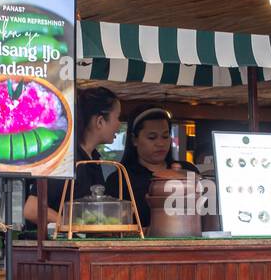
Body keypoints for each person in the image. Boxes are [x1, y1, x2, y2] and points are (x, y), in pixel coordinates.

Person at [22, 86, 122, 229]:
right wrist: (72, 226)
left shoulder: (93, 159)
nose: (119, 125)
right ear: (100, 121)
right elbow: (32, 209)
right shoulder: (66, 159)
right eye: (117, 117)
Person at [118, 106, 199, 229]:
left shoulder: (188, 171)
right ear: (134, 139)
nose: (160, 143)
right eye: (152, 137)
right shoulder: (121, 178)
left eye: (165, 136)